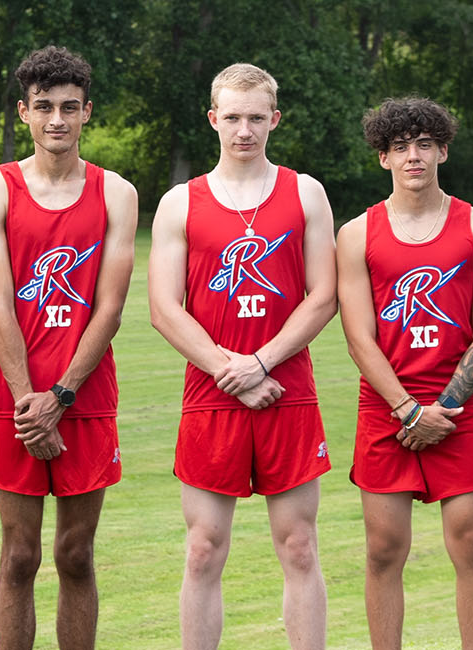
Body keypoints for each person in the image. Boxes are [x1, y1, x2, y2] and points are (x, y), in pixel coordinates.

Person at [147, 63, 338, 650]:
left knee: (299, 545)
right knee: (204, 547)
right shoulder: (182, 201)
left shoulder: (304, 192)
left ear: (274, 120)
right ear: (213, 119)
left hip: (287, 389)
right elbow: (164, 307)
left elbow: (323, 295)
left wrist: (261, 362)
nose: (244, 129)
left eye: (256, 118)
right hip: (211, 394)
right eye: (232, 117)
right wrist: (230, 370)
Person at [0, 46, 139, 650]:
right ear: (24, 112)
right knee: (18, 555)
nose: (57, 119)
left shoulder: (115, 193)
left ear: (87, 112)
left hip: (82, 395)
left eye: (69, 107)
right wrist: (28, 404)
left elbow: (109, 308)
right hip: (12, 399)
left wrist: (60, 397)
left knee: (76, 555)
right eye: (44, 107)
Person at [338, 97, 473, 650]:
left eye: (425, 144)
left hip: (460, 407)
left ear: (443, 151)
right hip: (387, 409)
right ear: (383, 158)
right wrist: (408, 410)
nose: (414, 156)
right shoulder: (357, 234)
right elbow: (359, 337)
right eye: (401, 147)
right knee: (384, 549)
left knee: (472, 541)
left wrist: (442, 410)